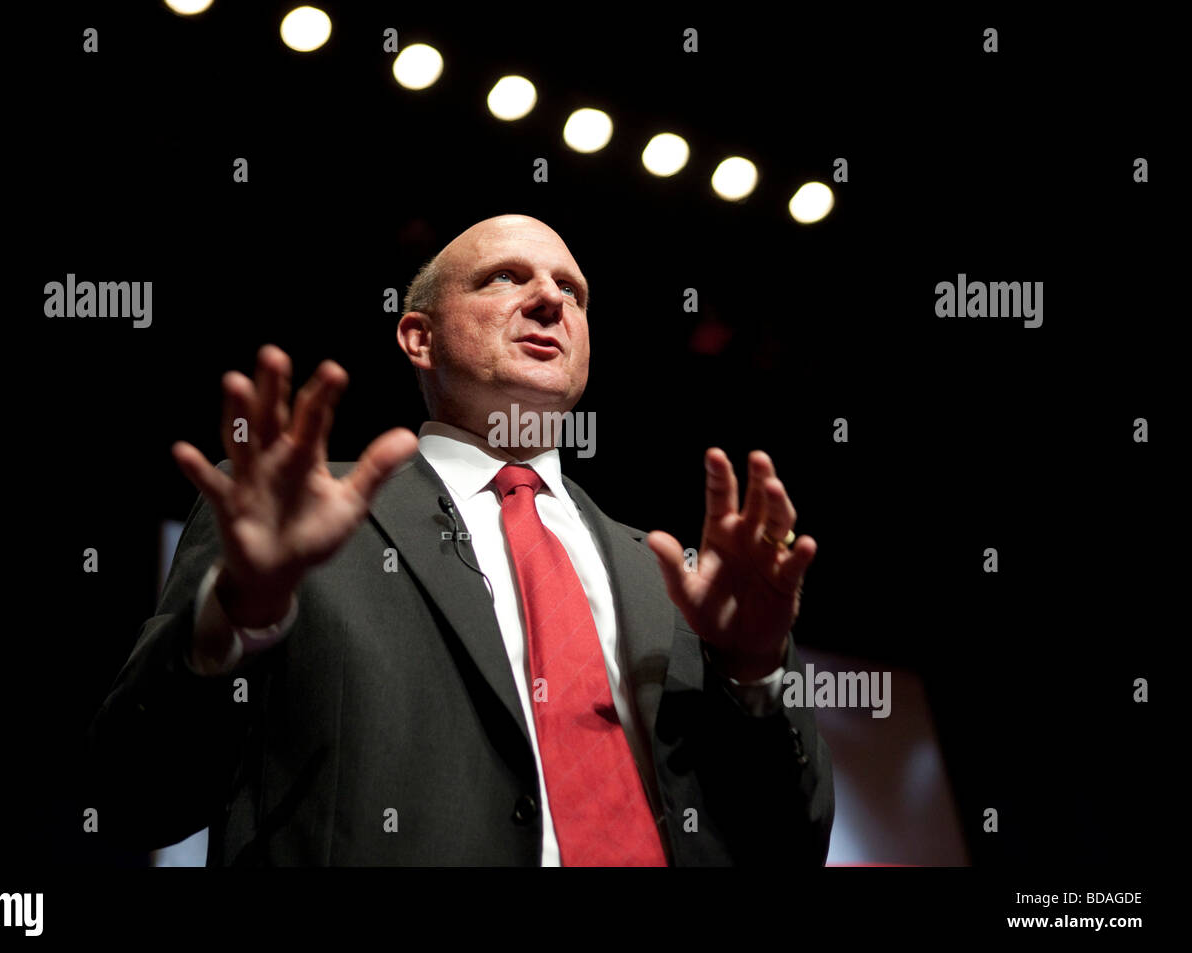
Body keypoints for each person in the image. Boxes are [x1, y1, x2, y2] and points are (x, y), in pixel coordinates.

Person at [87, 214, 834, 866]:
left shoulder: (679, 585)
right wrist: (238, 614)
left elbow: (790, 847)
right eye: (504, 278)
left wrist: (754, 675)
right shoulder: (301, 523)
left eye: (572, 292)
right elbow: (135, 799)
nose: (550, 300)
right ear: (419, 335)